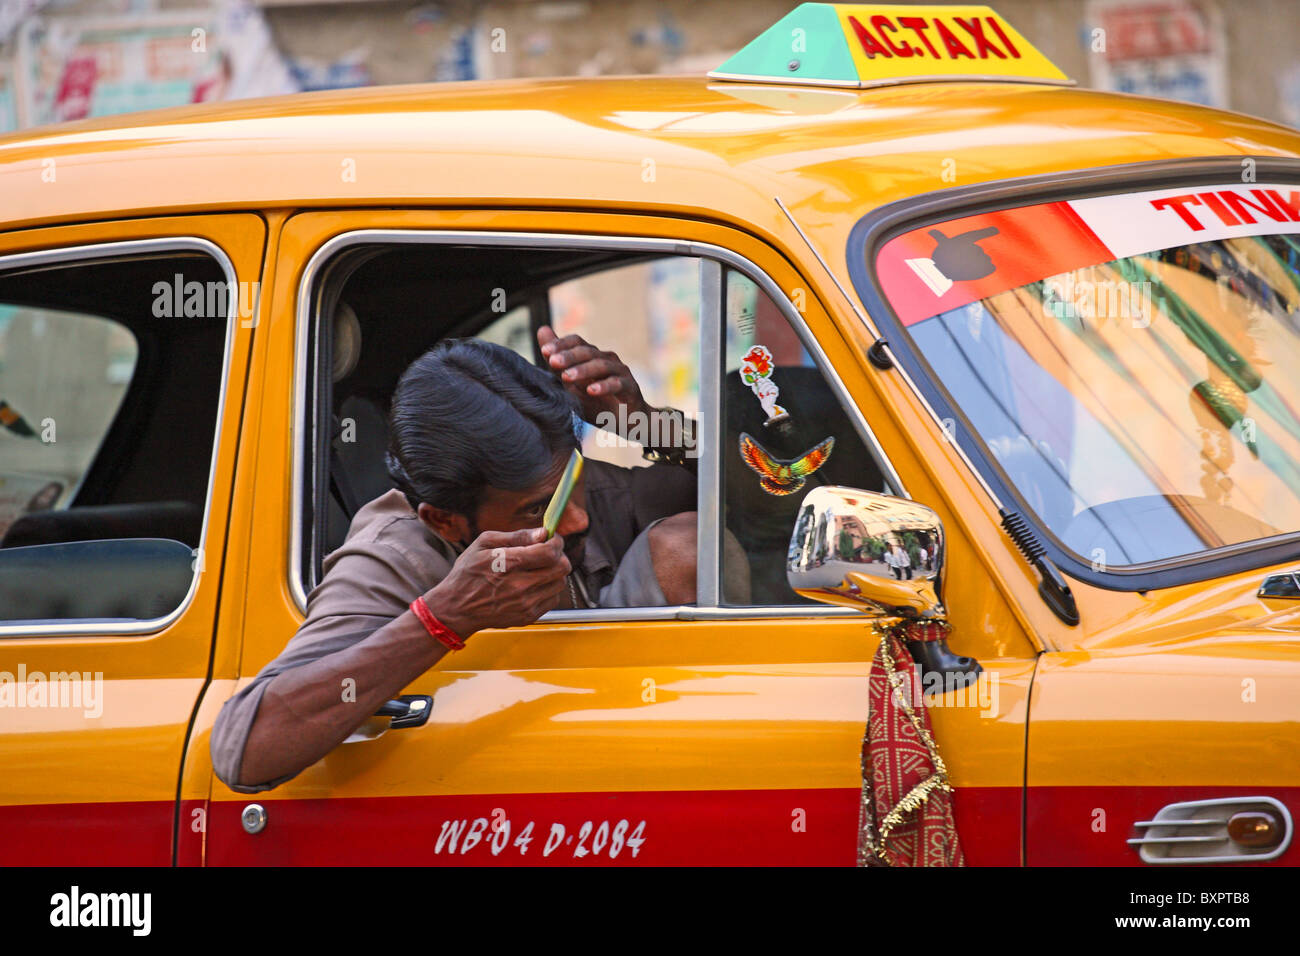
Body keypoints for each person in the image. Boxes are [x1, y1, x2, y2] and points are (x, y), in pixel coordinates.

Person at [211, 327, 749, 794]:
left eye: (572, 483)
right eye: (540, 510)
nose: (577, 520)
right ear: (446, 521)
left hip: (644, 772)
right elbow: (244, 749)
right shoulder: (396, 552)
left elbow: (769, 510)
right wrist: (441, 620)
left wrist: (651, 426)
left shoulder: (571, 489)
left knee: (687, 544)